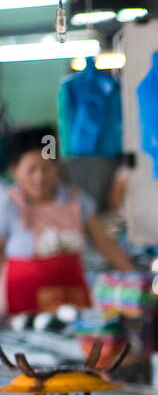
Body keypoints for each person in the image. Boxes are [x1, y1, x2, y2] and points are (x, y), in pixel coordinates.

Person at [0, 126, 133, 316]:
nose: (40, 177)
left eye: (47, 168)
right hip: (20, 307)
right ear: (15, 172)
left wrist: (135, 279)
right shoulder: (8, 204)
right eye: (31, 170)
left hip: (72, 302)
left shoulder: (76, 200)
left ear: (57, 168)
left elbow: (106, 244)